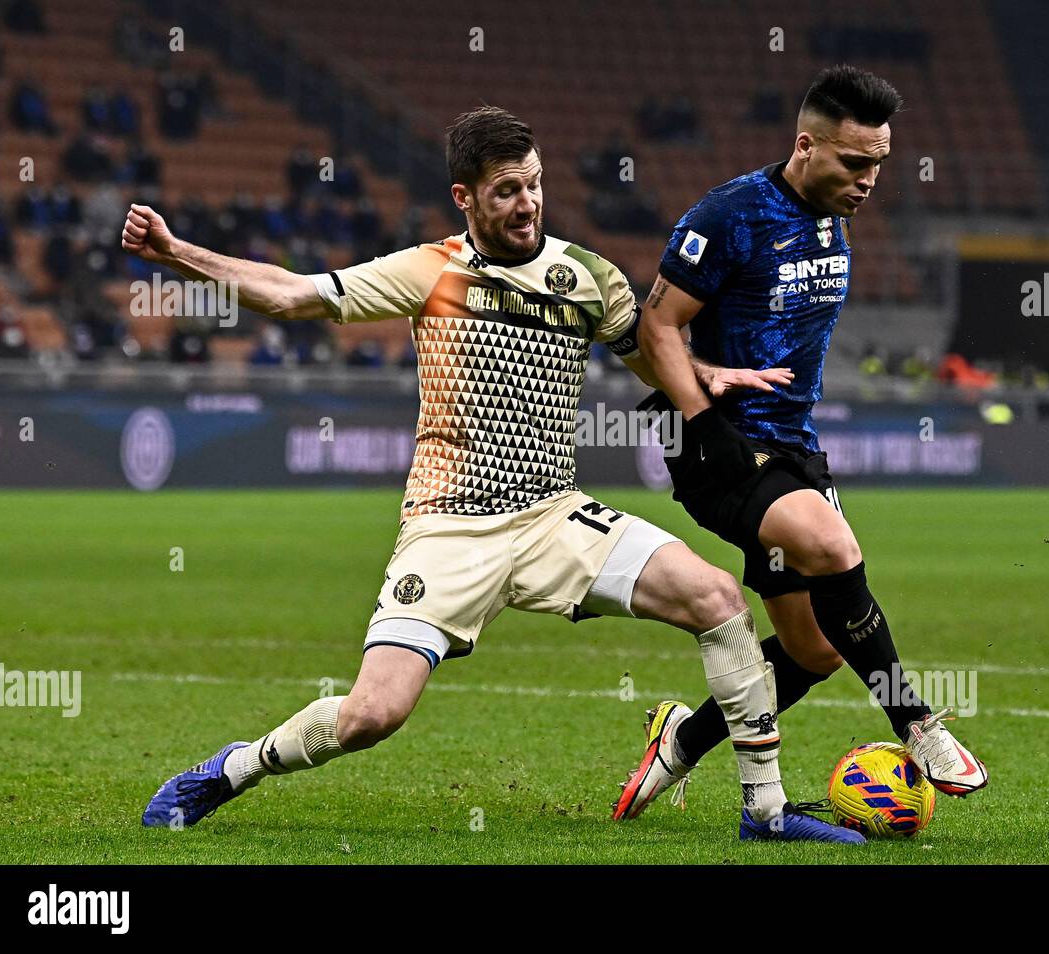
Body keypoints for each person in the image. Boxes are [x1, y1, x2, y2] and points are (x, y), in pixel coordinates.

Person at [126, 106, 863, 845]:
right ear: (466, 198)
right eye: (507, 190)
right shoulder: (430, 271)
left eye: (535, 185)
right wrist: (177, 253)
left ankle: (764, 813)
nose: (528, 203)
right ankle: (232, 769)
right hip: (450, 527)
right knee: (371, 716)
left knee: (715, 596)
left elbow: (651, 357)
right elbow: (291, 294)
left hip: (554, 518)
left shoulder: (587, 277)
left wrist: (710, 376)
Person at [615, 64, 989, 820]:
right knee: (835, 547)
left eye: (879, 163)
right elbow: (656, 326)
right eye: (855, 162)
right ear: (806, 145)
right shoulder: (730, 215)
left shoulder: (832, 211)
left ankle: (682, 742)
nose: (869, 179)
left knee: (816, 651)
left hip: (791, 447)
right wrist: (703, 418)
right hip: (720, 446)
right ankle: (914, 722)